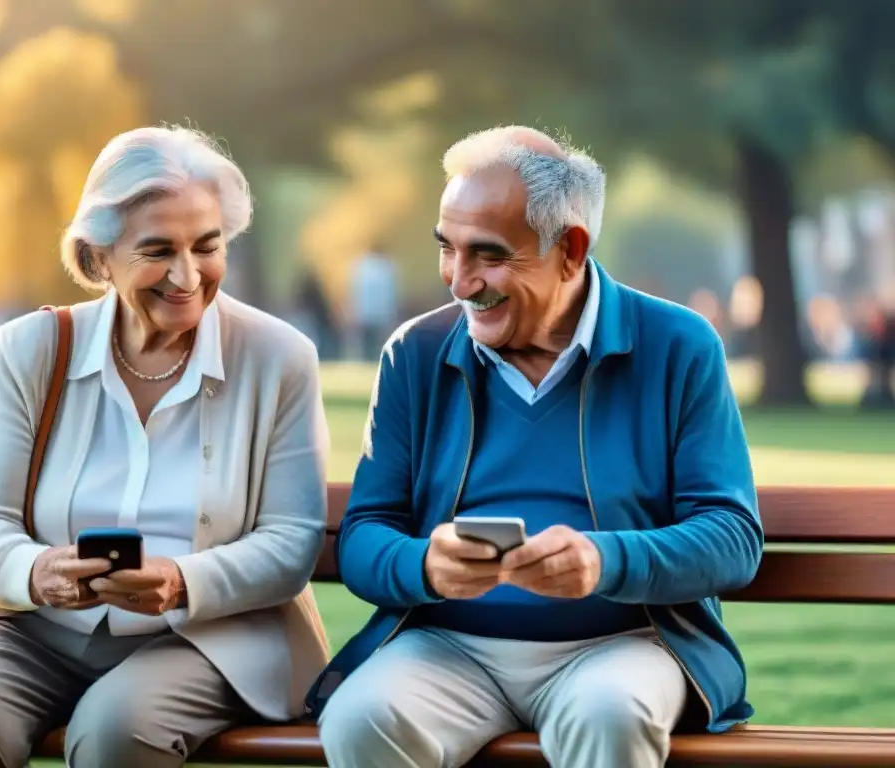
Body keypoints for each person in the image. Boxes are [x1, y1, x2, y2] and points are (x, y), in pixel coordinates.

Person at [310, 126, 763, 768]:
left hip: (623, 642)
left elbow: (731, 538)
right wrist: (425, 567)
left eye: (488, 255)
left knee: (610, 713)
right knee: (361, 718)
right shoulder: (413, 353)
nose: (460, 282)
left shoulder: (679, 345)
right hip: (449, 646)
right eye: (447, 248)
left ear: (570, 248)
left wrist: (605, 562)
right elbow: (364, 535)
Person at [0, 125, 331, 768]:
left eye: (207, 247)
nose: (187, 276)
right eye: (158, 250)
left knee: (115, 732)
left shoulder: (279, 358)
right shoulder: (31, 350)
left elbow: (292, 540)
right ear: (98, 258)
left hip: (207, 636)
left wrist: (182, 581)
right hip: (33, 627)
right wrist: (36, 573)